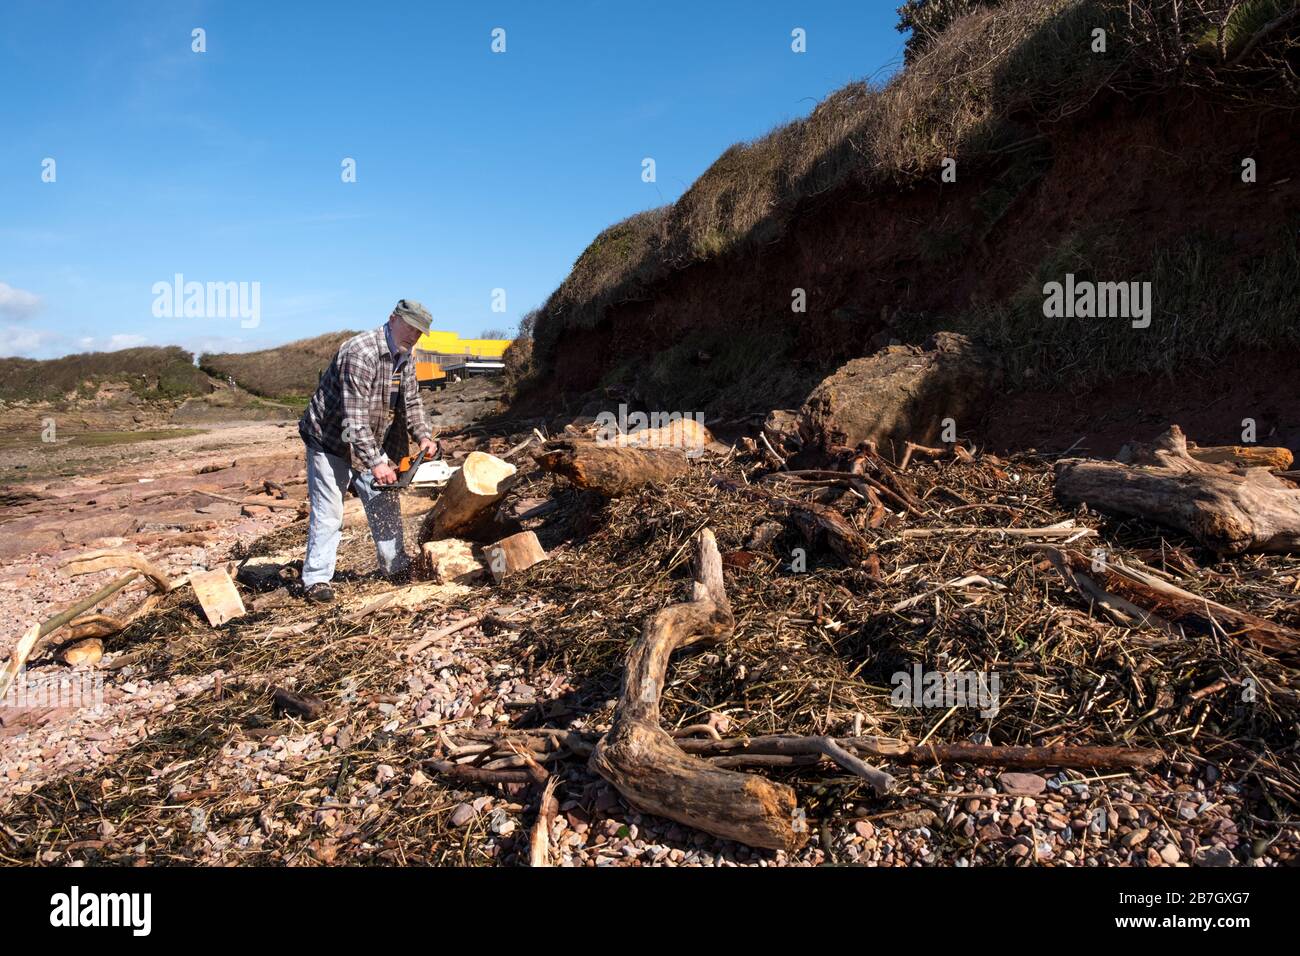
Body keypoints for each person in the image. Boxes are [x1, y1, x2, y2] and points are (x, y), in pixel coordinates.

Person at [296, 299, 440, 602]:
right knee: (329, 511)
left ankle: (395, 567)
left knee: (384, 501)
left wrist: (424, 436)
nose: (414, 336)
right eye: (411, 328)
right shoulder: (360, 352)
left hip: (367, 436)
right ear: (393, 319)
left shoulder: (405, 356)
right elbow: (354, 417)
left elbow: (412, 402)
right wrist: (377, 462)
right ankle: (317, 579)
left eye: (419, 332)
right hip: (330, 438)